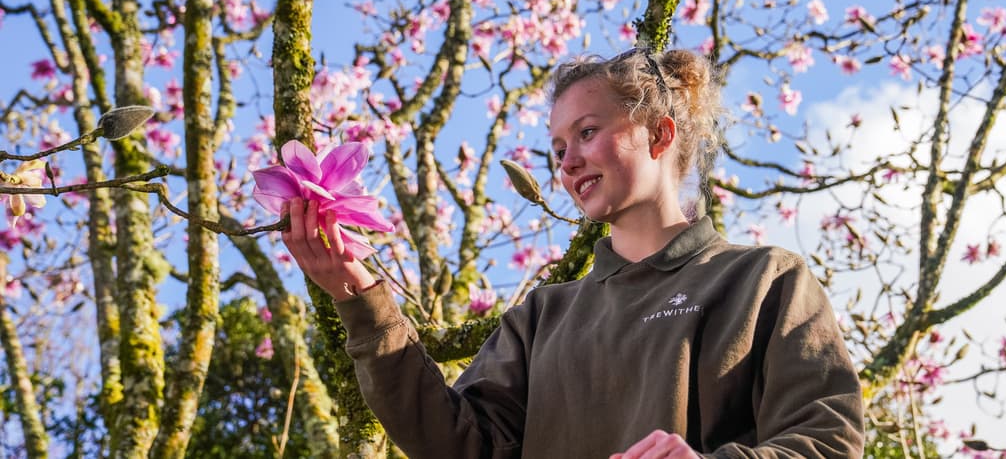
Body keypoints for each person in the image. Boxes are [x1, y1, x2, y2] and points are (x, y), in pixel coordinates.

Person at [283, 47, 866, 458]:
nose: (566, 162)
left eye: (587, 133)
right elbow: (457, 443)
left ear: (659, 135)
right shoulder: (543, 317)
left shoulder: (763, 281)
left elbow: (828, 438)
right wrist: (358, 296)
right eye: (558, 147)